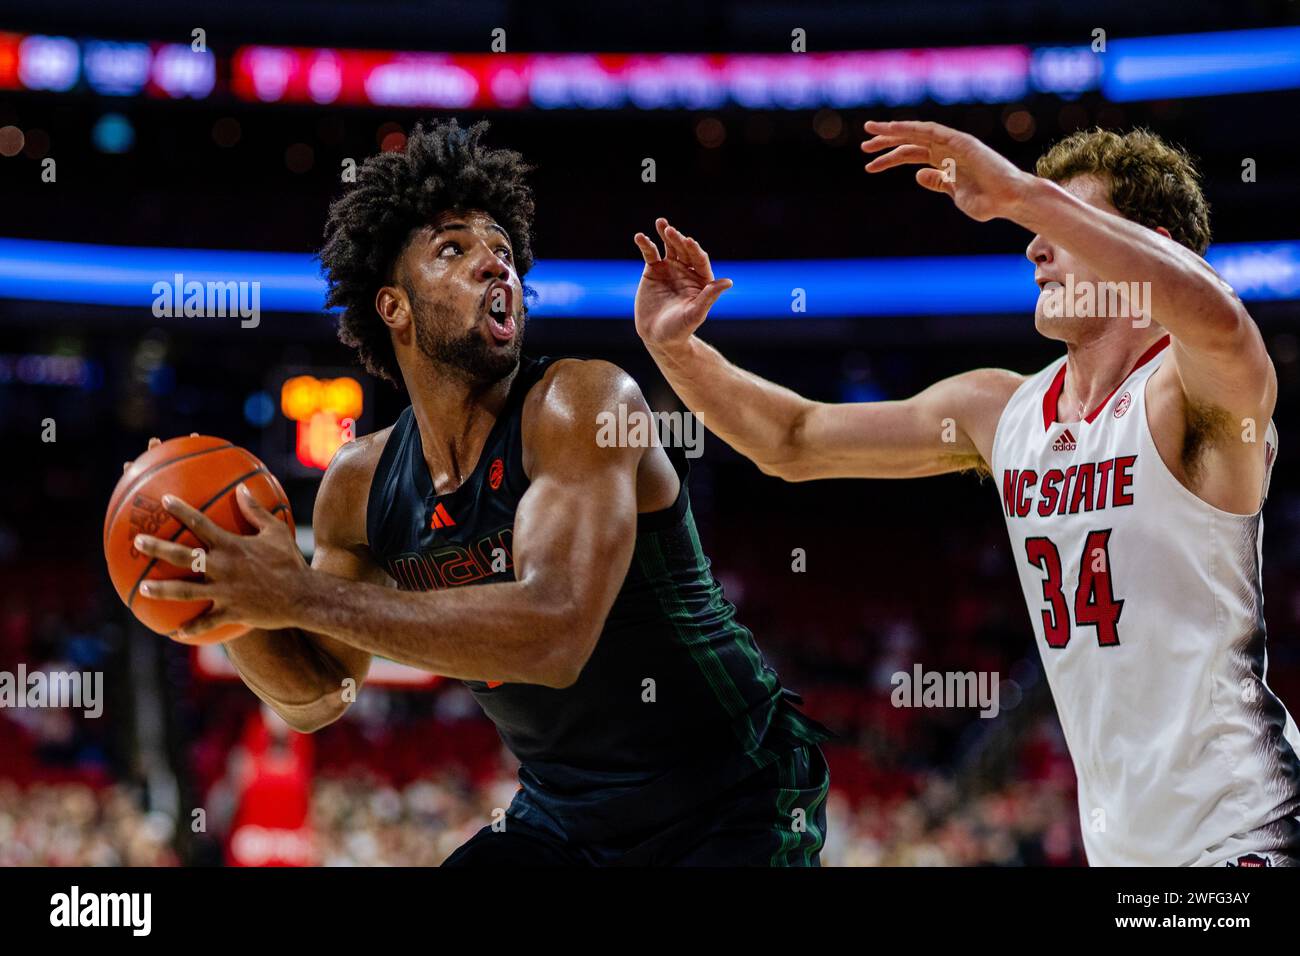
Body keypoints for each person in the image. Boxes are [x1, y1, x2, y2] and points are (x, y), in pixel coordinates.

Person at [131, 119, 831, 867]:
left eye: (503, 251)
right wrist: (230, 600)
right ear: (392, 307)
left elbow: (553, 632)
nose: (495, 266)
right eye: (455, 250)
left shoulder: (584, 404)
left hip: (732, 792)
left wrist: (296, 596)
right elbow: (316, 696)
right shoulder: (360, 486)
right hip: (565, 814)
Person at [630, 120, 1299, 867]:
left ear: (1150, 246)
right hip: (1131, 854)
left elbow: (1222, 323)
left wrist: (1020, 193)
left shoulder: (1195, 395)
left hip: (1251, 834)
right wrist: (677, 352)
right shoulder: (999, 411)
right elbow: (793, 440)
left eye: (1061, 222)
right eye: (1036, 222)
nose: (1033, 245)